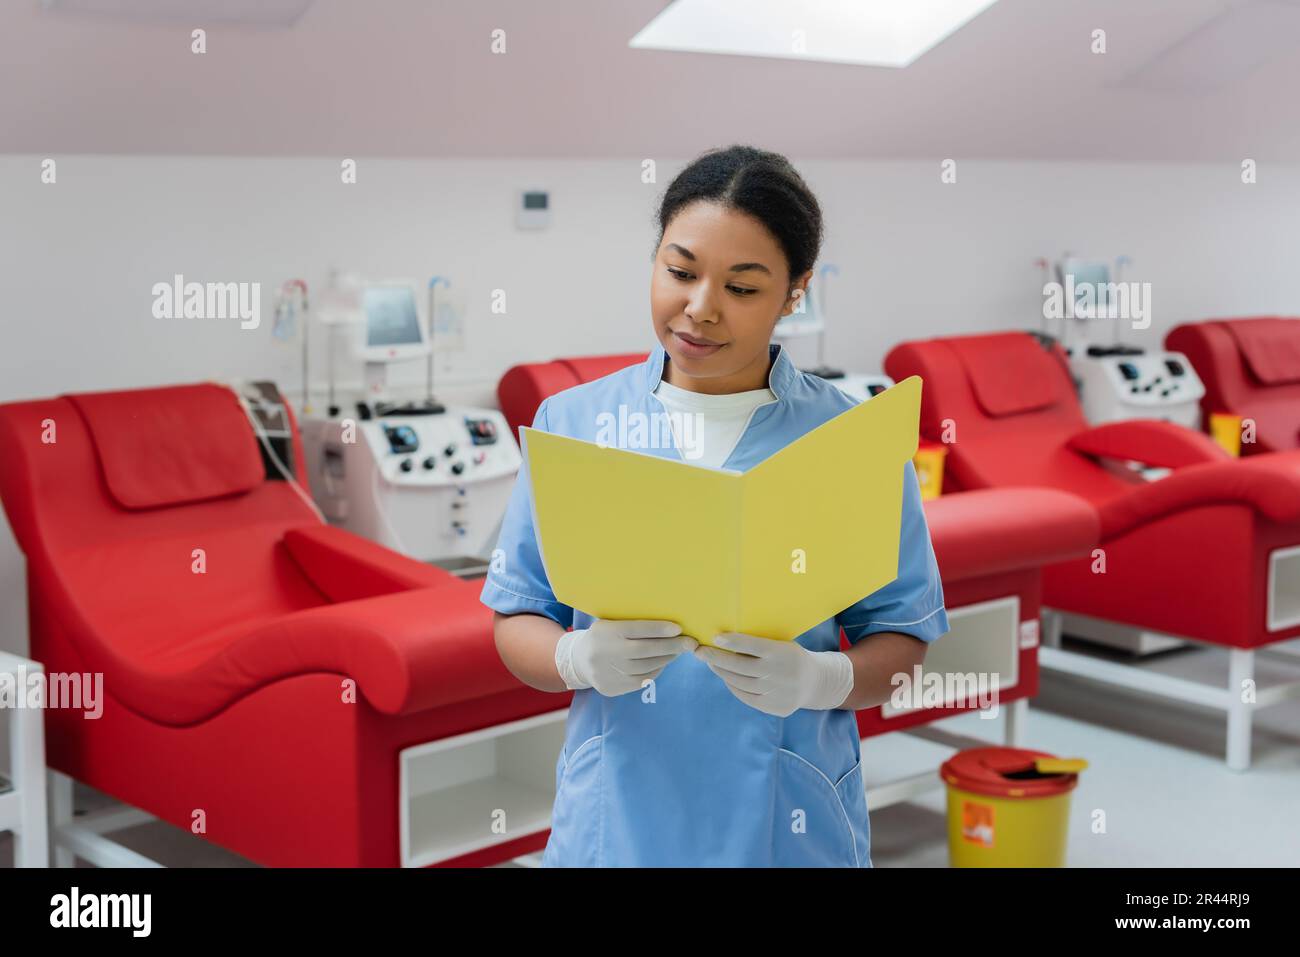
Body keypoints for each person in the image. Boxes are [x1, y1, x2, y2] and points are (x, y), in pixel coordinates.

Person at [481, 144, 949, 867]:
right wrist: (575, 656)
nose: (699, 308)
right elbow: (516, 617)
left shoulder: (849, 440)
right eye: (679, 271)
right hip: (621, 811)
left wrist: (827, 678)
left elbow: (904, 634)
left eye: (742, 286)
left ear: (796, 293)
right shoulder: (574, 425)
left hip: (787, 814)